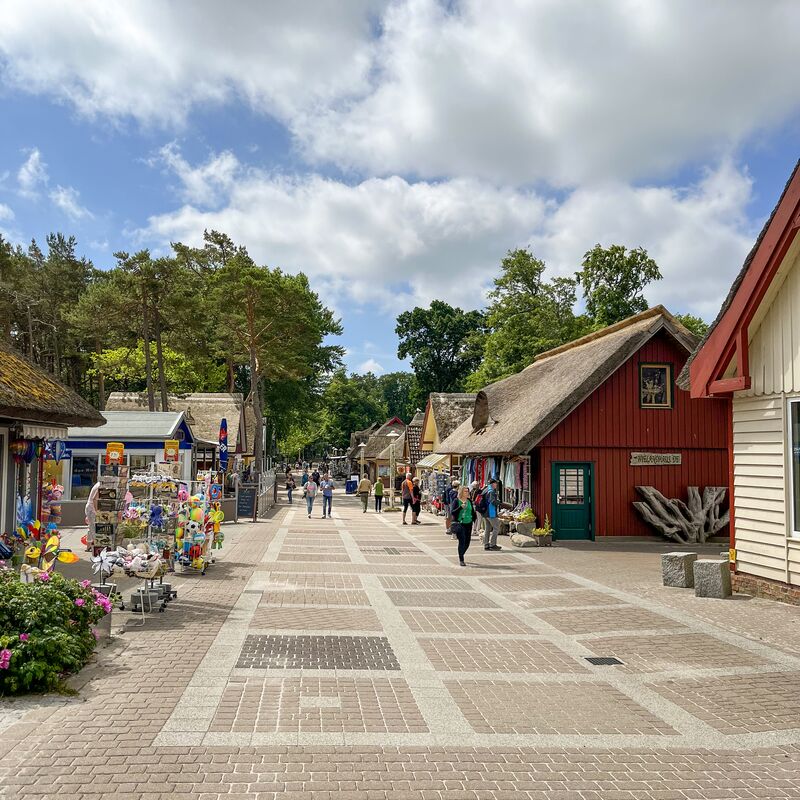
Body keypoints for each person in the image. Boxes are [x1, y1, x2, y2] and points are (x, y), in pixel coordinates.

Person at [450, 485, 475, 566]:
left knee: (467, 542)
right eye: (465, 491)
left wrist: (474, 519)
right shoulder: (456, 501)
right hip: (460, 524)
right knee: (462, 541)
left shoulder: (469, 501)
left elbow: (472, 511)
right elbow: (452, 512)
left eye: (468, 491)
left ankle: (461, 553)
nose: (467, 493)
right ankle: (461, 559)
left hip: (469, 523)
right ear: (461, 492)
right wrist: (460, 507)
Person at [482, 478, 502, 551]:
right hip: (491, 512)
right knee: (496, 528)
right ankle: (493, 544)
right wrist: (499, 502)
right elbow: (493, 501)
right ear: (493, 484)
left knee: (487, 529)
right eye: (496, 483)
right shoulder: (491, 491)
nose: (496, 485)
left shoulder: (485, 489)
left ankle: (486, 544)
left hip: (484, 512)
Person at [84, 480, 100, 551]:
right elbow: (94, 499)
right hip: (92, 508)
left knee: (91, 527)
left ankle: (89, 546)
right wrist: (97, 511)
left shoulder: (98, 484)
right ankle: (95, 546)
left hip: (90, 508)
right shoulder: (100, 486)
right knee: (93, 528)